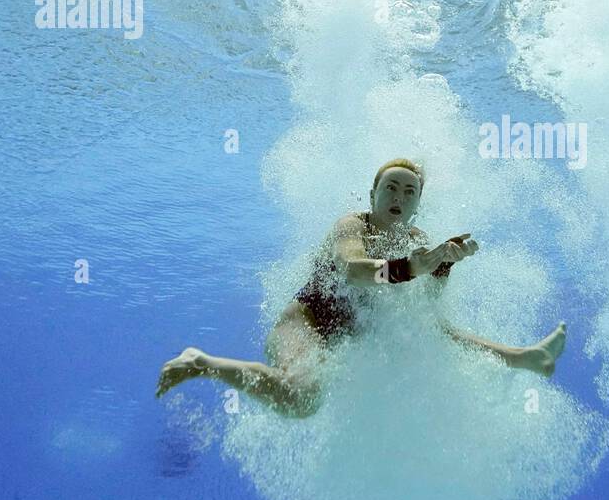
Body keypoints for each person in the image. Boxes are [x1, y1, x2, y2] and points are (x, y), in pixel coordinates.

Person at [155, 158, 568, 417]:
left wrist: (442, 267)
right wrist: (412, 267)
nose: (399, 196)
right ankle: (201, 362)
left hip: (350, 334)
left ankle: (526, 357)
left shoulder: (414, 240)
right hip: (305, 326)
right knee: (301, 400)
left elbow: (424, 312)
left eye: (410, 191)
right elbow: (352, 269)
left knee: (432, 332)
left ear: (417, 205)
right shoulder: (353, 225)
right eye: (390, 187)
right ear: (372, 194)